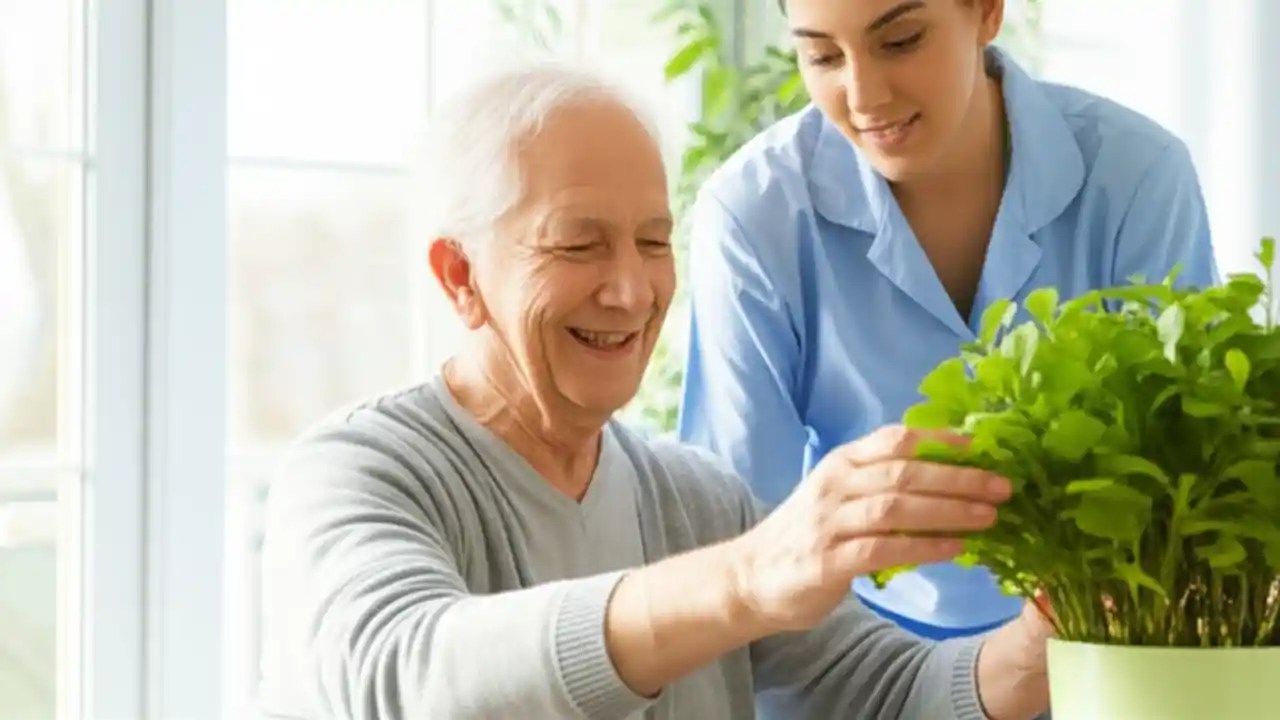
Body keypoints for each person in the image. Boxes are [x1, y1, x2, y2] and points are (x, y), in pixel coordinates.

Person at [257, 64, 1055, 720]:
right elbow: (406, 675)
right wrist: (743, 581)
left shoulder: (699, 500)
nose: (632, 292)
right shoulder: (352, 473)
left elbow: (885, 691)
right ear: (460, 277)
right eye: (579, 244)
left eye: (653, 242)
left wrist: (1042, 648)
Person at [676, 0, 1219, 640]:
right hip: (855, 665)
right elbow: (743, 540)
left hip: (1099, 644)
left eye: (901, 40)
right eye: (823, 56)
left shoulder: (1136, 177)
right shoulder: (754, 214)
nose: (865, 96)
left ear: (988, 12)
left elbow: (1185, 481)